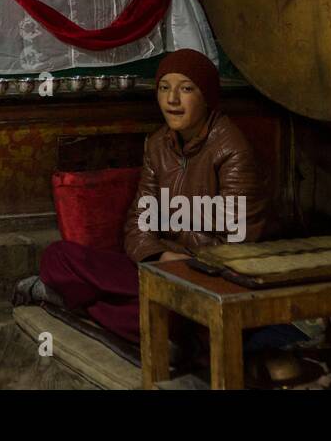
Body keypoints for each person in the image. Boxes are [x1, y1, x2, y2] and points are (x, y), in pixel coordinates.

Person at [15, 48, 269, 344]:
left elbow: (239, 245)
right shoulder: (157, 145)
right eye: (164, 88)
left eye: (185, 89)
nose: (172, 100)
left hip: (205, 277)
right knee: (58, 257)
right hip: (158, 265)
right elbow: (137, 225)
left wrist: (184, 261)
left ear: (207, 96)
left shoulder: (233, 150)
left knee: (175, 317)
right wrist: (161, 255)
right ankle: (151, 328)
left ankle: (89, 305)